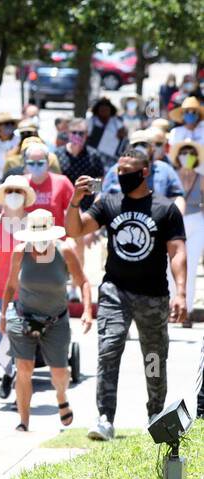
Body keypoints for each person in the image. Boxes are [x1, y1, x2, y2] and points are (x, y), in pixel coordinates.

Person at [68, 149, 189, 441]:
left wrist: (181, 293)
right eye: (119, 171)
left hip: (153, 295)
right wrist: (75, 201)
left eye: (129, 171)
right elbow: (76, 230)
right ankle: (105, 418)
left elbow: (177, 252)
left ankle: (156, 414)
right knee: (109, 351)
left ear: (145, 171)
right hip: (115, 291)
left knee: (153, 358)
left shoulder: (165, 208)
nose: (123, 176)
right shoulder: (108, 202)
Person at [0, 211, 92, 431]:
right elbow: (11, 286)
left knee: (59, 372)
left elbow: (83, 282)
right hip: (24, 317)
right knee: (24, 368)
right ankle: (23, 421)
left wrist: (87, 310)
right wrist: (3, 315)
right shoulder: (21, 252)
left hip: (55, 319)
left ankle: (61, 395)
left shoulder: (65, 251)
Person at [0, 176, 34, 399]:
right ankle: (8, 372)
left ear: (25, 196)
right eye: (10, 190)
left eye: (18, 191)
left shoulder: (34, 224)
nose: (14, 194)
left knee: (19, 338)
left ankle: (17, 379)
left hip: (27, 294)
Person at [100, 129, 186, 212]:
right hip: (123, 219)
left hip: (156, 221)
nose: (139, 148)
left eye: (144, 145)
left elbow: (178, 197)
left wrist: (175, 218)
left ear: (152, 149)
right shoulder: (117, 169)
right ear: (129, 148)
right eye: (135, 145)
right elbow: (102, 196)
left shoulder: (165, 170)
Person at [170, 139, 203, 326]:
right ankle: (170, 307)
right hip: (175, 222)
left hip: (196, 221)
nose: (187, 156)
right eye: (184, 152)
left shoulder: (201, 177)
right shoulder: (172, 175)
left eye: (191, 153)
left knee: (190, 267)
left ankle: (187, 311)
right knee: (169, 267)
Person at [23, 141, 76, 226]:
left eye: (40, 163)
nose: (36, 167)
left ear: (48, 163)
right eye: (31, 163)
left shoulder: (62, 182)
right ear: (26, 164)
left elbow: (75, 212)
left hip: (56, 237)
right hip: (27, 237)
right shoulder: (20, 184)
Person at [87, 97, 126, 162]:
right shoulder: (92, 121)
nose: (104, 110)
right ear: (97, 109)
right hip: (93, 156)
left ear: (111, 110)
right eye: (102, 108)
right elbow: (86, 136)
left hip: (111, 157)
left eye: (106, 108)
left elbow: (123, 135)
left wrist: (122, 133)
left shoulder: (116, 122)